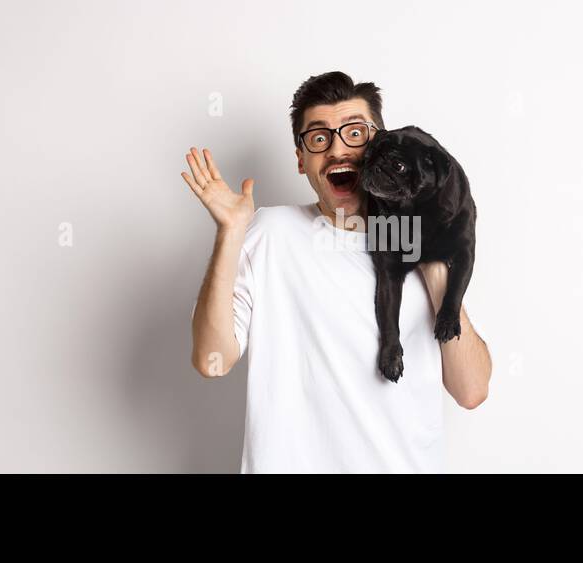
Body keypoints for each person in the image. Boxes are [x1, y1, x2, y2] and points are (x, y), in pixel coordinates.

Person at [179, 71, 491, 473]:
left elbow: (472, 391)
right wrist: (230, 234)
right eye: (320, 138)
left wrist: (433, 269)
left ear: (380, 142)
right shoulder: (272, 233)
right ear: (300, 158)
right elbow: (212, 361)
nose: (338, 150)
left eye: (355, 134)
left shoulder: (417, 238)